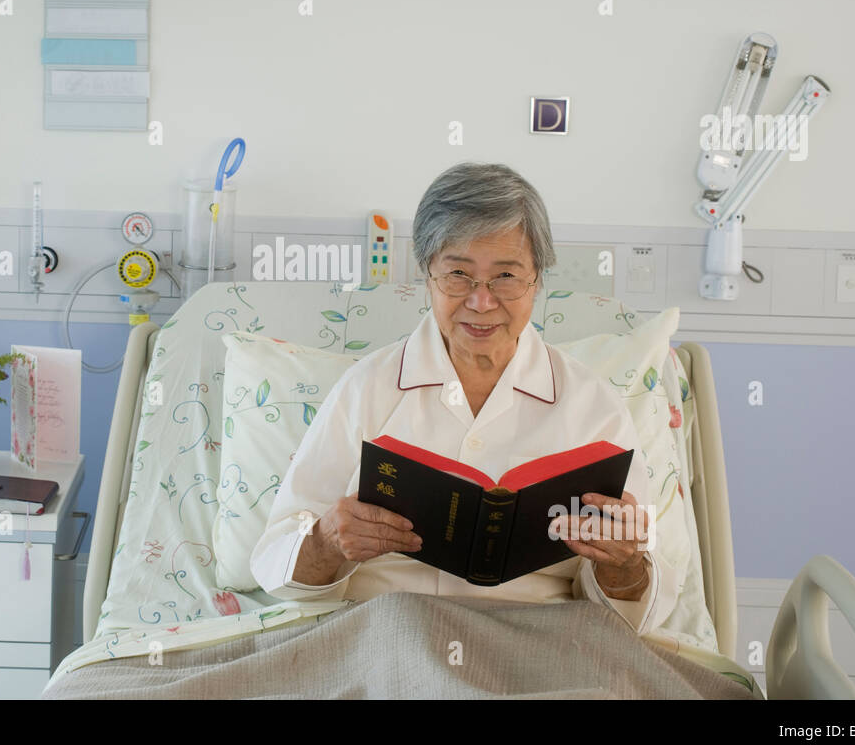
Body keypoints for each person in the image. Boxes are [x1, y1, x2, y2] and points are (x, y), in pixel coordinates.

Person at [249, 161, 679, 636]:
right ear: (427, 275)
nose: (481, 301)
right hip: (384, 633)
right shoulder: (365, 388)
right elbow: (276, 568)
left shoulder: (594, 408)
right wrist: (327, 541)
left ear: (537, 278)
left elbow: (638, 612)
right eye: (458, 274)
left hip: (538, 644)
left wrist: (622, 564)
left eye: (506, 277)